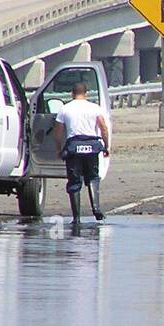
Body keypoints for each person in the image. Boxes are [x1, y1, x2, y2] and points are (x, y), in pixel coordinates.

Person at [52, 81, 110, 224]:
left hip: (74, 147)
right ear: (86, 94)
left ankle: (76, 218)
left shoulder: (65, 109)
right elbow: (104, 128)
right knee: (93, 177)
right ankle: (96, 209)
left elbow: (57, 133)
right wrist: (106, 146)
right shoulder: (94, 108)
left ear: (72, 93)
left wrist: (59, 149)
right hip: (91, 146)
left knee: (74, 181)